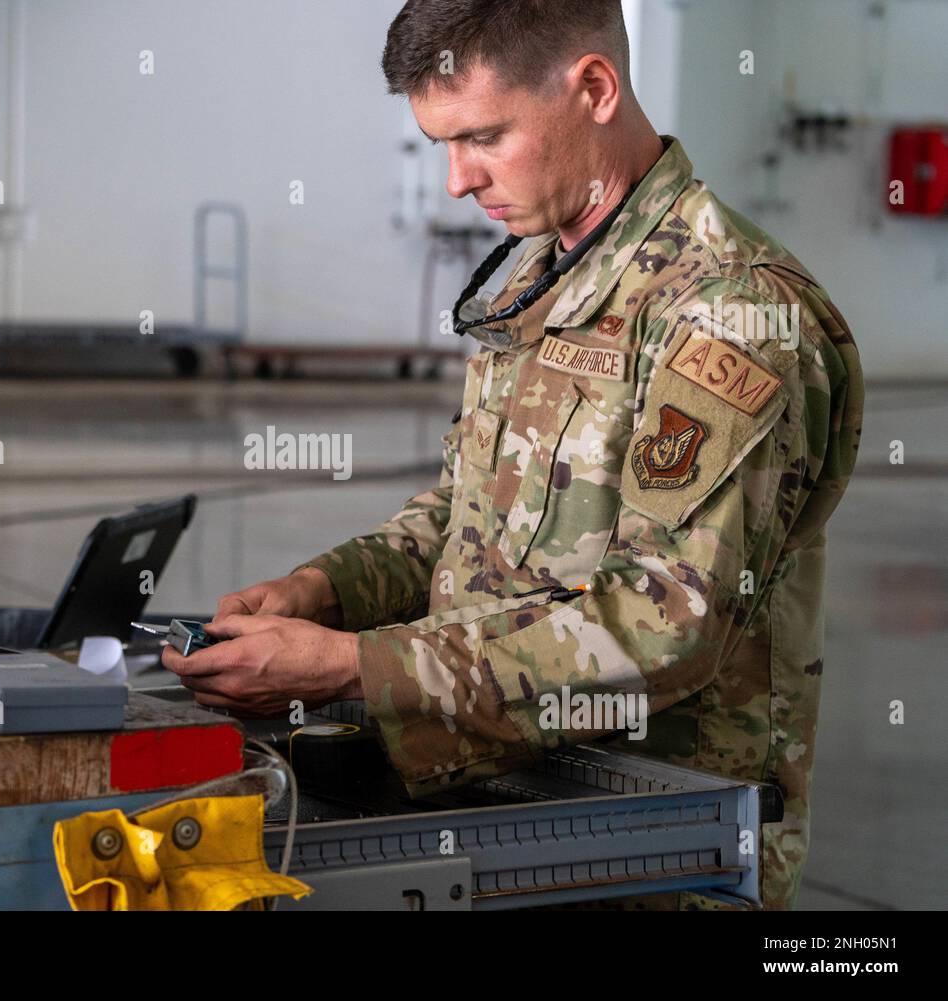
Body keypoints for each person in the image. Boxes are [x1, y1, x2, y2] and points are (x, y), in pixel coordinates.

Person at [161, 0, 863, 910]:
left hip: (652, 852)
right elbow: (462, 515)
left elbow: (664, 627)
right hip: (507, 805)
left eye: (484, 136)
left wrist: (350, 666)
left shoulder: (728, 313)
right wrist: (323, 592)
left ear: (595, 88)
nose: (456, 180)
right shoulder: (544, 272)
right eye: (441, 144)